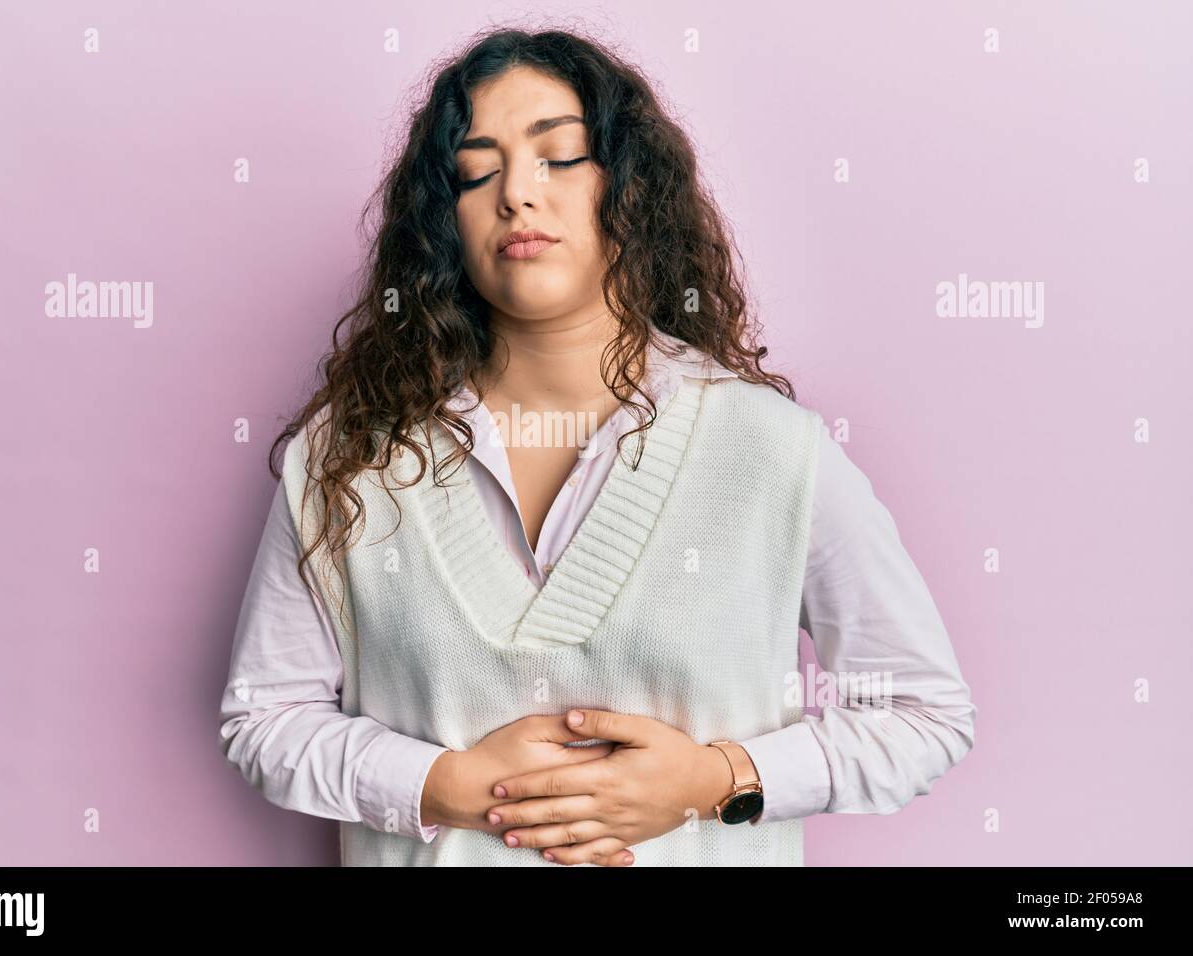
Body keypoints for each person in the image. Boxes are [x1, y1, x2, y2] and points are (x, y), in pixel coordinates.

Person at [218, 27, 976, 867]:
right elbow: (262, 714)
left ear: (630, 188)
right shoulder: (349, 457)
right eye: (476, 169)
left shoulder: (771, 451)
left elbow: (924, 714)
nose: (517, 194)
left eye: (560, 156)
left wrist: (713, 779)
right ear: (445, 217)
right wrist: (444, 785)